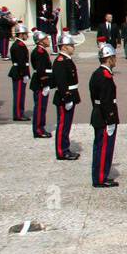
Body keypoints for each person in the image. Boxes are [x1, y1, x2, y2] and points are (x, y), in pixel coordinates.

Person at [88, 43, 120, 187]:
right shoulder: (105, 76)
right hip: (105, 117)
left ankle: (100, 175)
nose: (115, 60)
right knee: (103, 149)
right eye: (114, 57)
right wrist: (110, 118)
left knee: (101, 148)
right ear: (109, 58)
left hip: (98, 113)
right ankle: (100, 178)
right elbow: (106, 101)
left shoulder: (97, 73)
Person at [51, 31, 81, 160]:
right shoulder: (60, 61)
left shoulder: (66, 60)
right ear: (63, 46)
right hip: (65, 97)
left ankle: (66, 147)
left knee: (67, 125)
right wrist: (66, 97)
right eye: (71, 45)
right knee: (63, 124)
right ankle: (61, 151)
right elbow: (61, 82)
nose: (73, 47)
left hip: (71, 95)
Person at [30, 31, 53, 137]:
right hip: (40, 83)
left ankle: (41, 127)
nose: (48, 40)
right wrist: (44, 84)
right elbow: (40, 70)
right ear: (40, 41)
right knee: (39, 107)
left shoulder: (42, 51)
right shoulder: (39, 52)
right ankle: (38, 129)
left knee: (42, 107)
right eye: (46, 39)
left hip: (41, 82)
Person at [8, 24, 30, 121]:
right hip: (19, 72)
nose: (27, 36)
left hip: (19, 71)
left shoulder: (19, 44)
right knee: (19, 94)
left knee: (20, 94)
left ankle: (19, 112)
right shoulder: (19, 45)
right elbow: (21, 62)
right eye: (25, 34)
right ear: (21, 34)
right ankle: (18, 114)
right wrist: (24, 74)